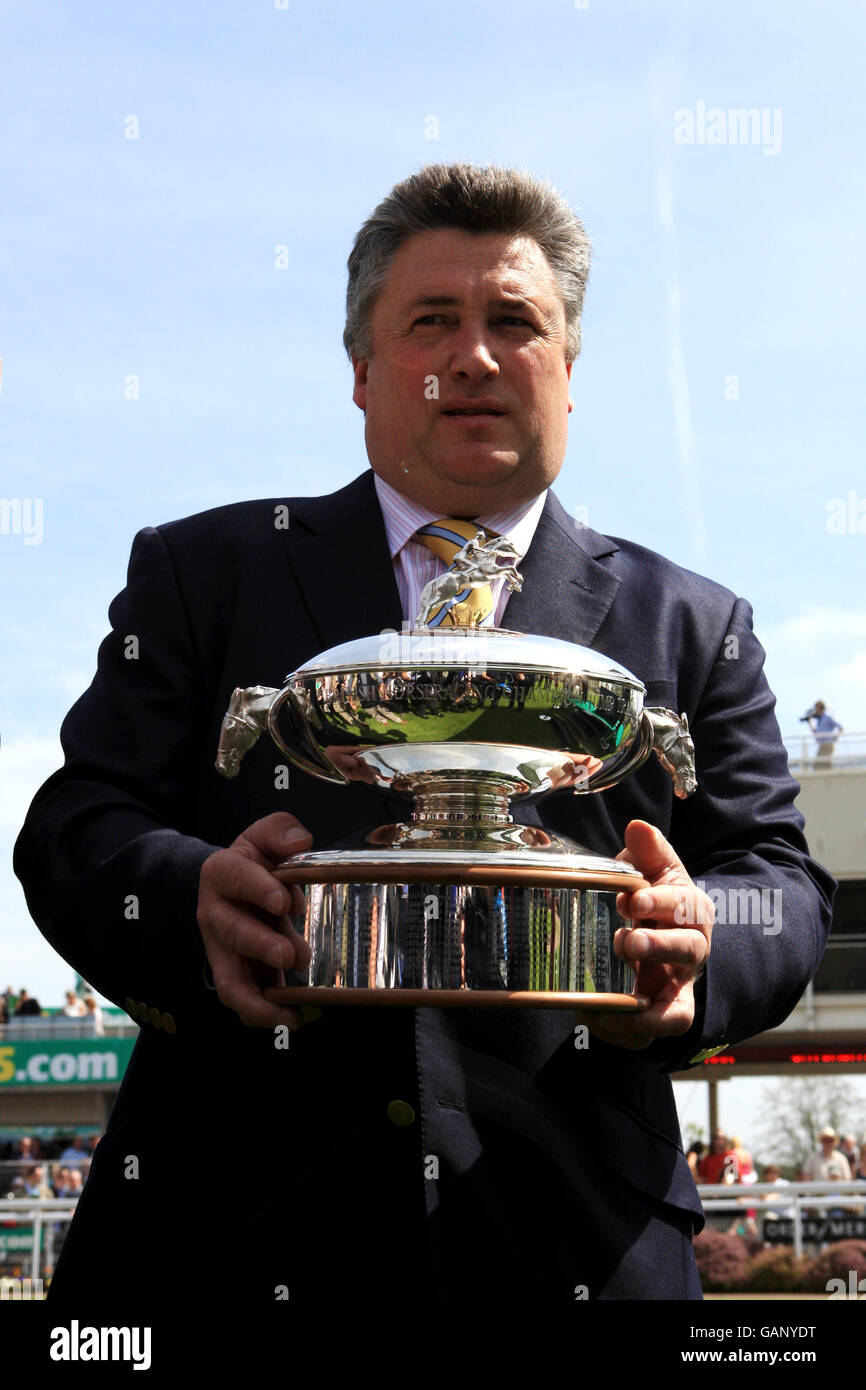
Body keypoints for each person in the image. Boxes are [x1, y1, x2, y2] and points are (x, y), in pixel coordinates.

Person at [14, 162, 835, 1313]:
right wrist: (191, 894)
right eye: (431, 320)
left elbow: (780, 881)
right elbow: (74, 824)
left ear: (568, 367)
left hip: (575, 1247)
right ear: (360, 368)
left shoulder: (693, 625)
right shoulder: (203, 575)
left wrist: (699, 952)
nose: (476, 354)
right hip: (220, 1243)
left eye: (514, 321)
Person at [807, 701, 842, 767]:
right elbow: (816, 732)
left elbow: (840, 727)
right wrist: (809, 722)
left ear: (820, 707)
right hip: (822, 745)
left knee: (820, 764)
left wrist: (835, 738)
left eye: (816, 707)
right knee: (823, 765)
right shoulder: (820, 720)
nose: (815, 710)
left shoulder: (827, 717)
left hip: (828, 744)